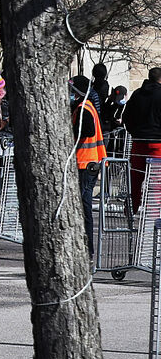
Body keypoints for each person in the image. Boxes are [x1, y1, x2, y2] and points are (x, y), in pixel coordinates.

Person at [74, 78, 106, 254]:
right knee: (83, 202)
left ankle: (87, 248)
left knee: (84, 204)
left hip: (85, 162)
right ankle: (86, 247)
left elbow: (88, 131)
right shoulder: (88, 106)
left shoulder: (83, 109)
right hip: (90, 161)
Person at [126, 68, 161, 195]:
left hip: (138, 142)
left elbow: (126, 116)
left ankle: (131, 209)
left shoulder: (137, 94)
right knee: (156, 182)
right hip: (157, 143)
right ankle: (154, 212)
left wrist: (134, 132)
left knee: (135, 178)